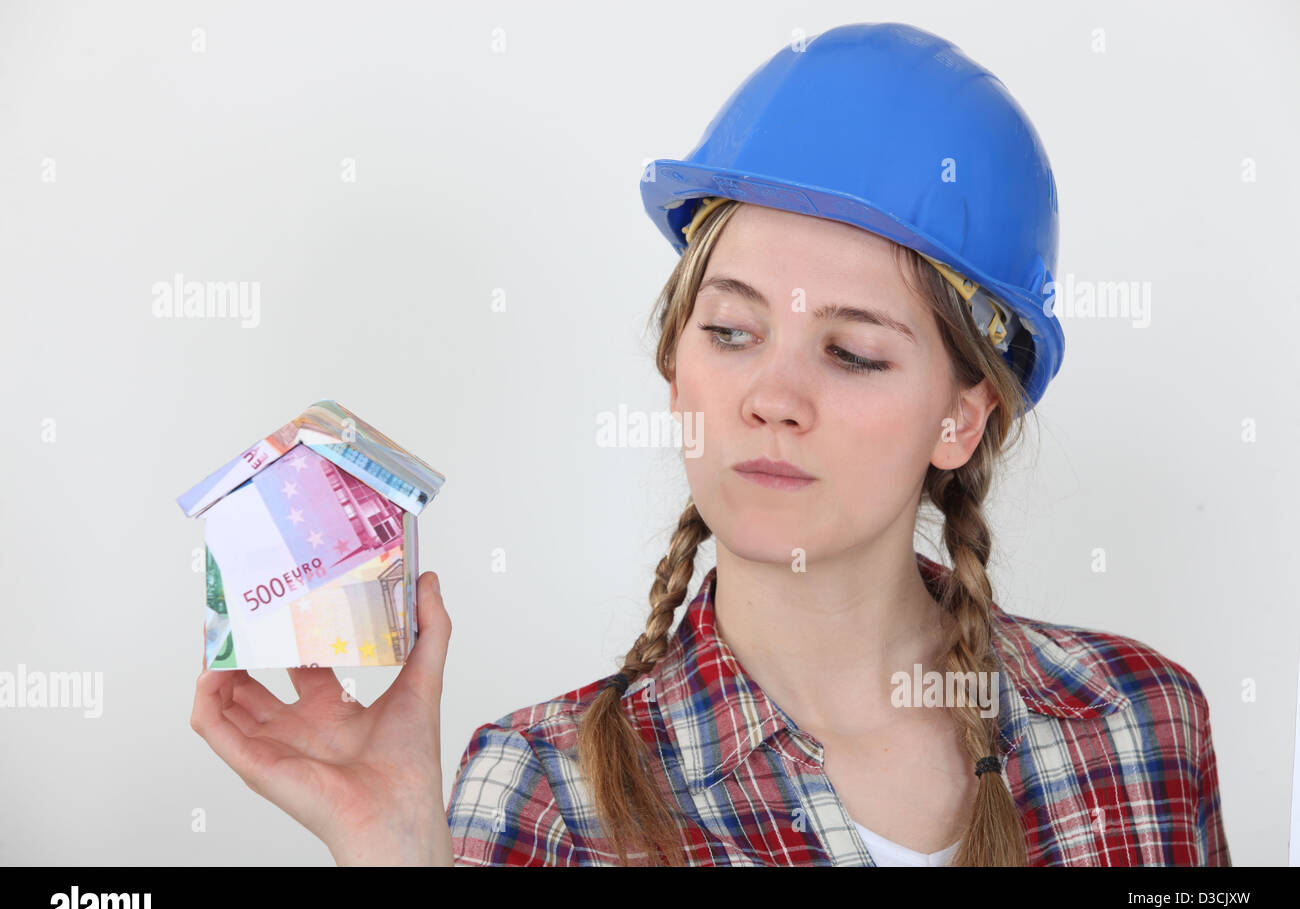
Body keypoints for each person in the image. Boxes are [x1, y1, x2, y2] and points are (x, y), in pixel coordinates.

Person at [190, 22, 1230, 866]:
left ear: (962, 417)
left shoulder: (1139, 725)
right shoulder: (549, 793)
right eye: (730, 332)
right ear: (674, 366)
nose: (770, 396)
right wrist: (396, 852)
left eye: (853, 352)